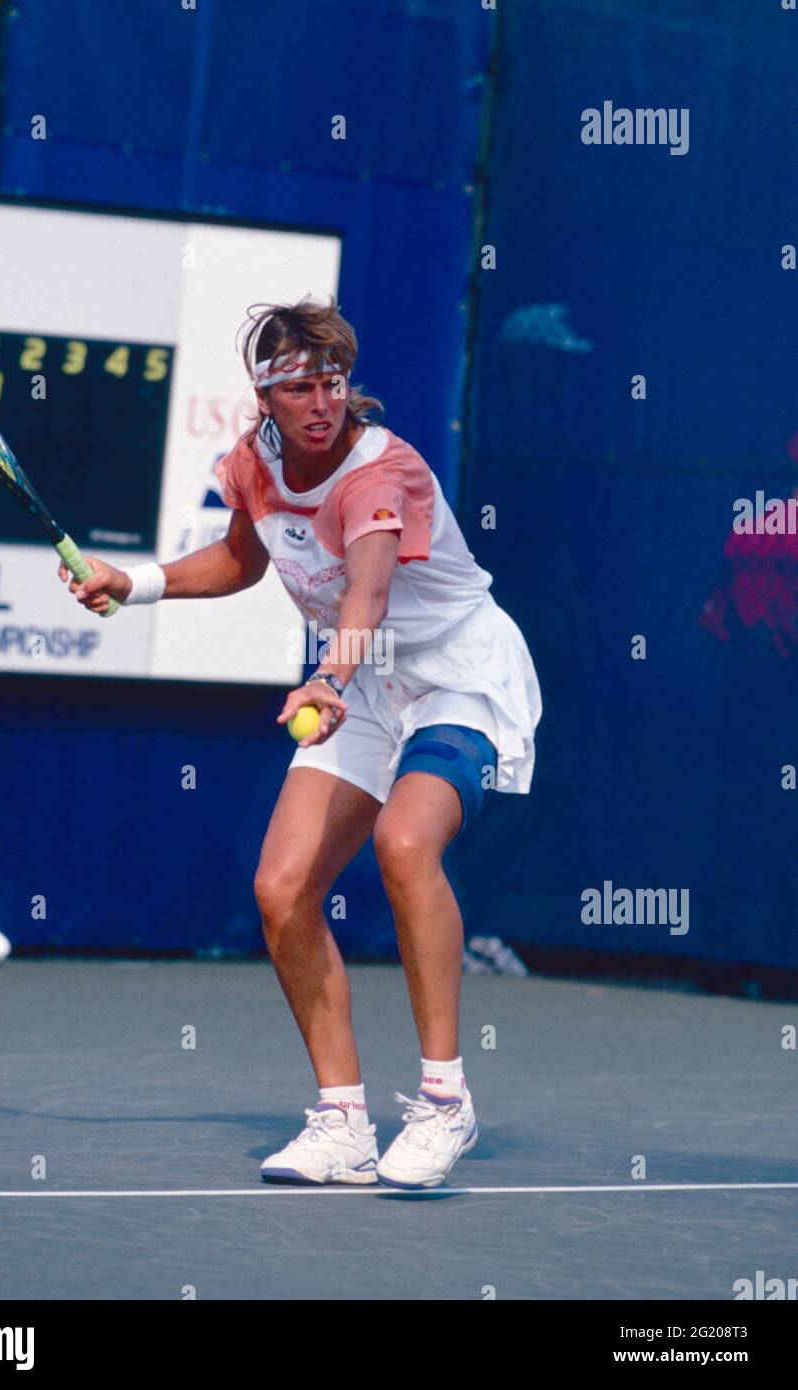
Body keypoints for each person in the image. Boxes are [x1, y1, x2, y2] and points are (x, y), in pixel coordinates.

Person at [59, 296, 543, 1189]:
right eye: (299, 387)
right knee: (280, 890)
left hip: (454, 676)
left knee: (405, 843)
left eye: (332, 382)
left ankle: (443, 1103)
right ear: (264, 397)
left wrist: (326, 674)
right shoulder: (254, 463)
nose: (321, 401)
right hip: (359, 686)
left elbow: (366, 593)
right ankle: (342, 1121)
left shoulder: (378, 471)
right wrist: (134, 582)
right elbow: (243, 560)